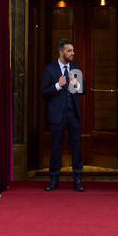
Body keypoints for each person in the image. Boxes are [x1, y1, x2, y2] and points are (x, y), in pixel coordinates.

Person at [41, 38, 84, 191]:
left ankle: (77, 179)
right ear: (61, 52)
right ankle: (53, 179)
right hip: (57, 115)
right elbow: (43, 92)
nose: (73, 53)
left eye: (73, 50)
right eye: (69, 50)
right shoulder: (50, 69)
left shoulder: (75, 67)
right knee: (56, 147)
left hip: (73, 115)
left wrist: (76, 84)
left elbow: (82, 90)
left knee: (76, 147)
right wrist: (58, 85)